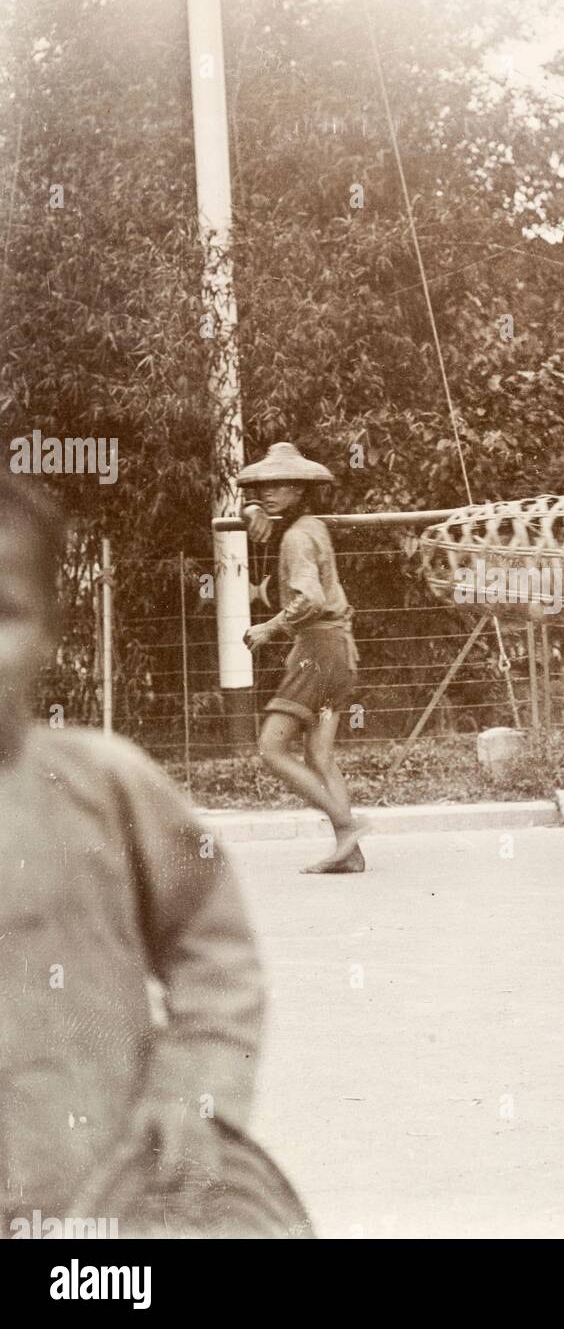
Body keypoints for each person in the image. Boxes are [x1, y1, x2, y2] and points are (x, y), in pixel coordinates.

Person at [0, 472, 309, 1237]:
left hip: (100, 1196)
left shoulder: (106, 786)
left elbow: (213, 947)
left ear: (50, 632)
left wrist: (195, 1090)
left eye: (2, 612)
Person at [239, 442, 365, 874]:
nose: (270, 492)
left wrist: (267, 629)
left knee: (271, 748)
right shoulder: (311, 527)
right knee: (319, 755)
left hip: (318, 650)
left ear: (300, 490)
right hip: (339, 649)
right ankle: (350, 854)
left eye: (282, 485)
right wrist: (250, 512)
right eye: (266, 485)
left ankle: (347, 827)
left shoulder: (295, 536)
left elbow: (309, 598)